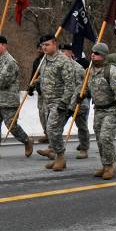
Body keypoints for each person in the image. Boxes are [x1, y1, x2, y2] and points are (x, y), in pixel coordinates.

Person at [34, 34, 81, 171]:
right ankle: (57, 157)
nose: (44, 47)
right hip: (47, 100)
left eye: (47, 45)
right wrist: (36, 84)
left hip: (59, 102)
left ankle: (60, 157)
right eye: (42, 45)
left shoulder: (63, 61)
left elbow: (70, 85)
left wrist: (64, 103)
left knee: (52, 129)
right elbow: (47, 77)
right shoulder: (45, 59)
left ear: (55, 44)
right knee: (53, 131)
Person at [0, 35, 31, 160]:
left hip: (8, 100)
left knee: (11, 126)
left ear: (4, 46)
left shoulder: (10, 62)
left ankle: (26, 141)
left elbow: (2, 80)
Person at [87, 42, 116, 180]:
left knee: (106, 137)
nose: (93, 54)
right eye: (92, 51)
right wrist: (79, 98)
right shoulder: (90, 70)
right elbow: (84, 88)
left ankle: (110, 167)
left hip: (112, 110)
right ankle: (104, 165)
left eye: (97, 53)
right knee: (99, 138)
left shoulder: (112, 71)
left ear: (104, 56)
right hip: (98, 109)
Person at [61, 43, 92, 158]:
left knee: (82, 127)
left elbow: (83, 86)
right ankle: (53, 148)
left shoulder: (78, 68)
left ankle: (84, 148)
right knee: (57, 125)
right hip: (65, 102)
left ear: (70, 54)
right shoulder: (60, 66)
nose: (61, 54)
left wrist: (74, 103)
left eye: (64, 52)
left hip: (79, 103)